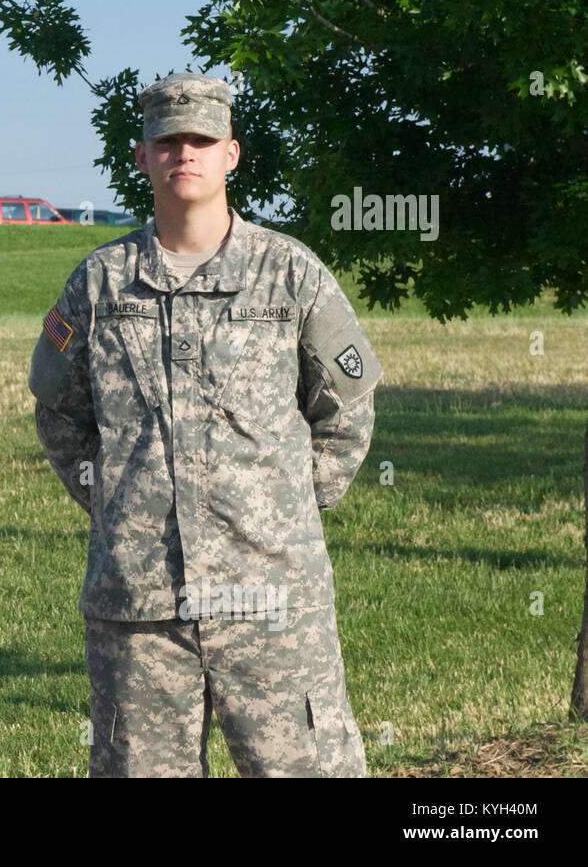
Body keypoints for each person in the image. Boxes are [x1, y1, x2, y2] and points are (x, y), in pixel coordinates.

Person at [28, 72, 382, 777]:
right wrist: (117, 501)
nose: (183, 153)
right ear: (143, 156)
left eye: (201, 139)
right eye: (168, 141)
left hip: (272, 598)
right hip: (141, 608)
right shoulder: (100, 284)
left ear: (231, 154)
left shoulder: (290, 275)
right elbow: (61, 411)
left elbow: (346, 409)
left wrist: (287, 509)